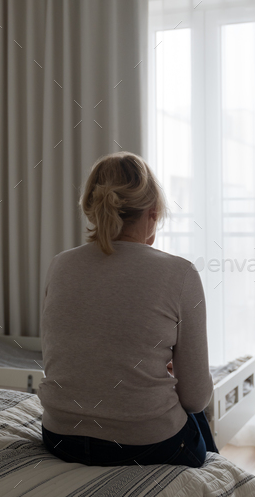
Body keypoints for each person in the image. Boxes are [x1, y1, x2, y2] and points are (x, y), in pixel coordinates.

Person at [39, 151, 218, 467]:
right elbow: (196, 397)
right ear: (152, 212)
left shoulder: (59, 265)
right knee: (195, 419)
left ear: (92, 209)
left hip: (59, 438)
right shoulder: (180, 273)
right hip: (144, 445)